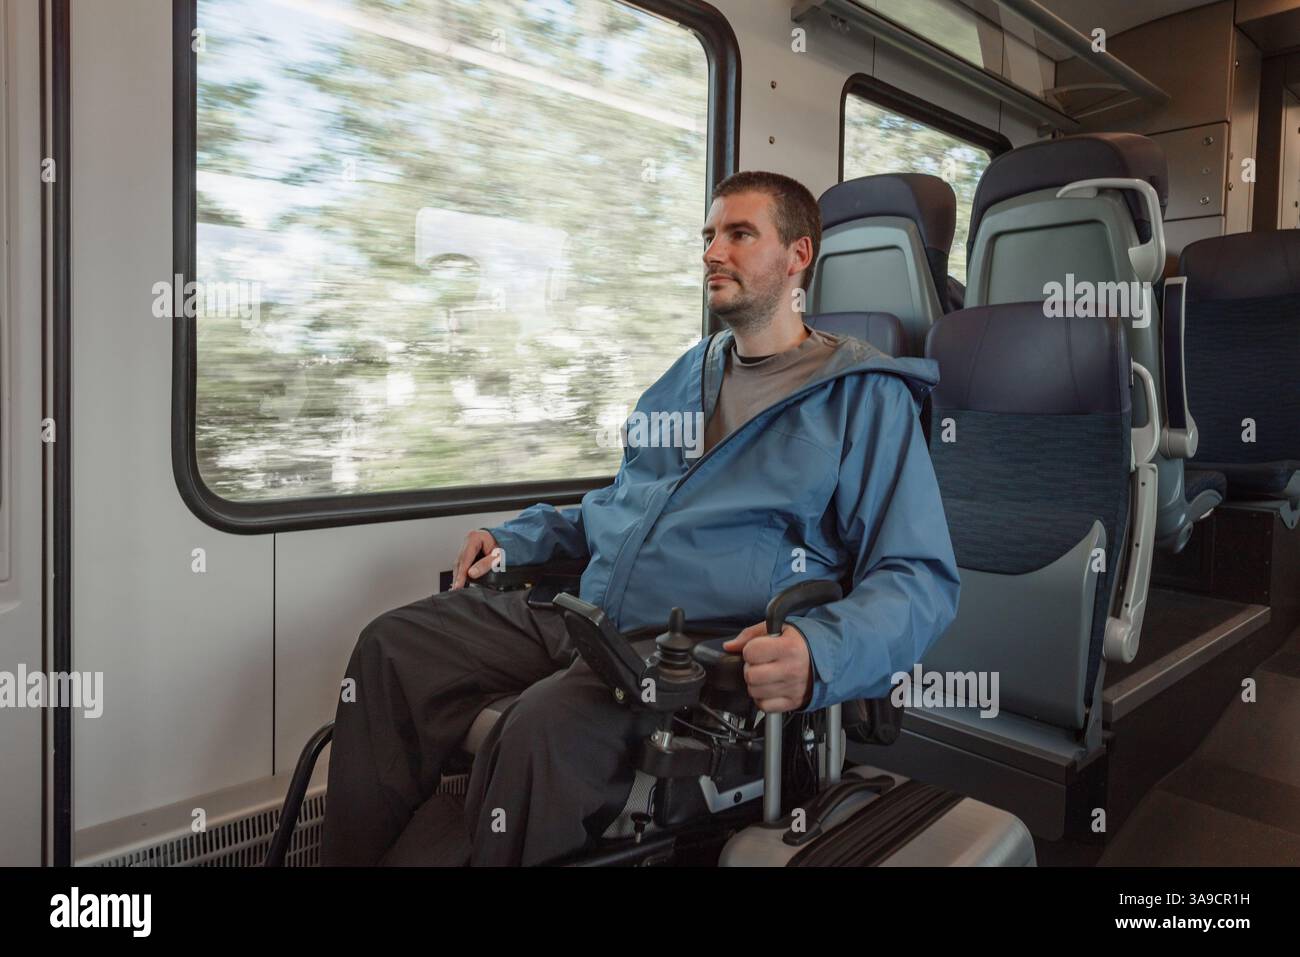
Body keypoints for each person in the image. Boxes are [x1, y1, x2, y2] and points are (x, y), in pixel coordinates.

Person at [319, 170, 959, 866]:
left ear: (798, 255)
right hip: (587, 614)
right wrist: (517, 539)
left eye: (740, 234)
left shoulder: (862, 396)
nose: (714, 251)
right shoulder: (687, 375)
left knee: (540, 731)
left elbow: (918, 577)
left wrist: (821, 651)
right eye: (708, 235)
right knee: (391, 648)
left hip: (692, 660)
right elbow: (620, 507)